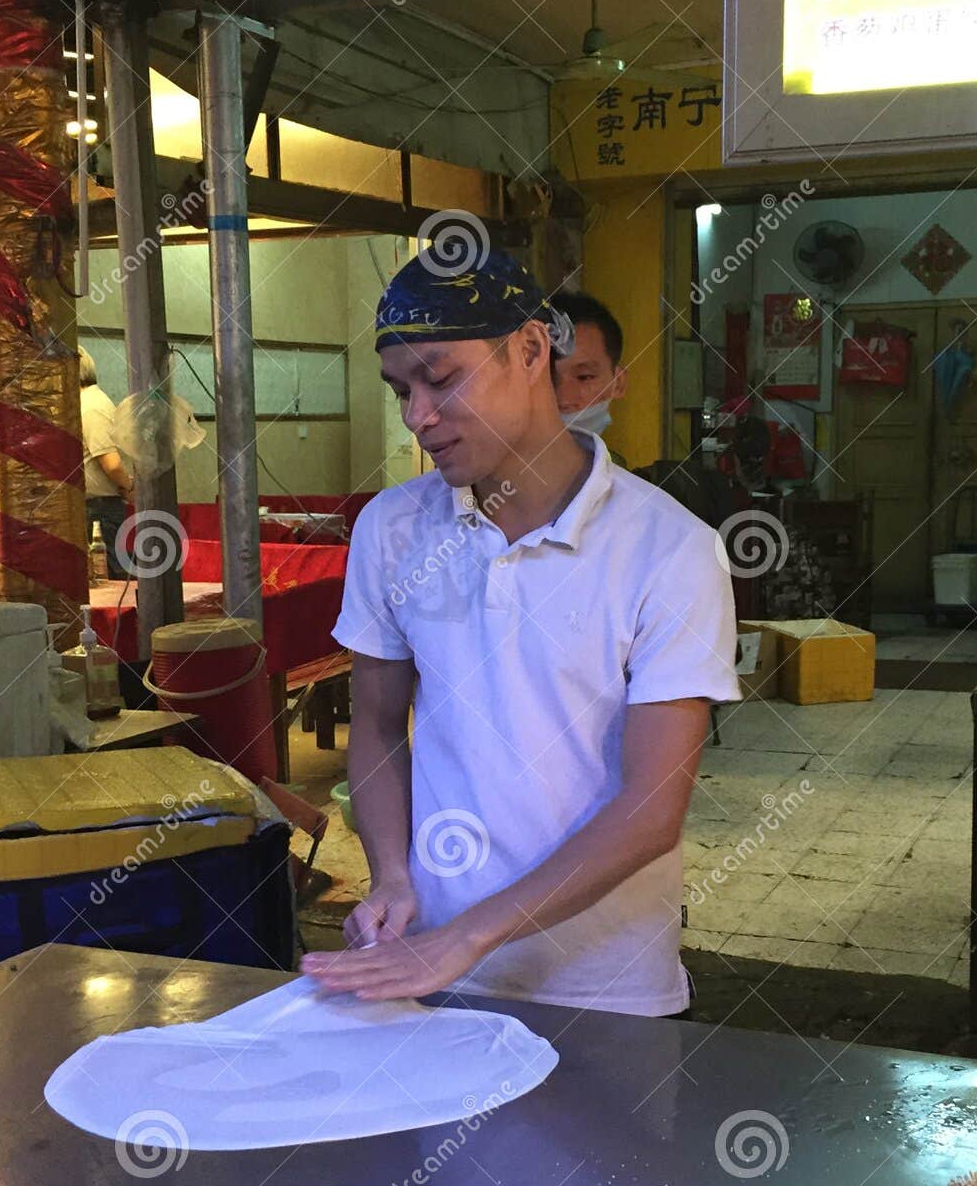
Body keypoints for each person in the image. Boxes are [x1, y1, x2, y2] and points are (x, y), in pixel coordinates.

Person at [303, 249, 738, 1015]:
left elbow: (652, 807)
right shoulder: (392, 530)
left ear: (533, 350)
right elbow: (375, 727)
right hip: (428, 973)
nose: (416, 415)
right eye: (400, 389)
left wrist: (470, 936)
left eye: (440, 379)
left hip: (608, 986)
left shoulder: (670, 549)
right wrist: (396, 879)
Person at [551, 289, 628, 461]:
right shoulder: (484, 478)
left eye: (584, 377)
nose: (562, 399)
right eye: (546, 376)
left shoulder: (630, 487)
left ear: (618, 383)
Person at [79, 348, 131, 577]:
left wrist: (130, 488)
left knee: (109, 575)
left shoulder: (92, 407)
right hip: (96, 504)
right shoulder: (87, 403)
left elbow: (111, 463)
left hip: (100, 507)